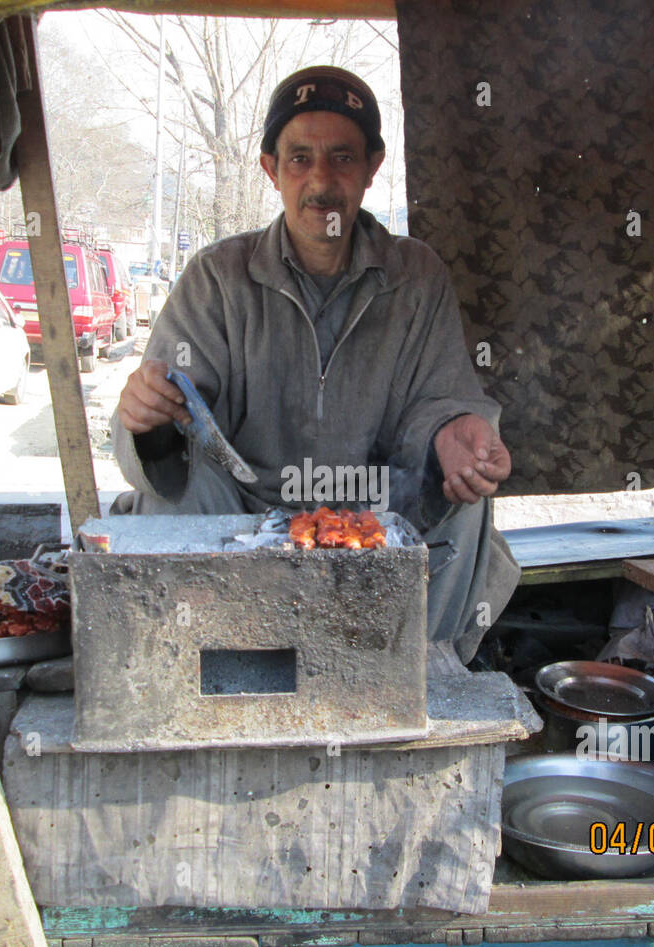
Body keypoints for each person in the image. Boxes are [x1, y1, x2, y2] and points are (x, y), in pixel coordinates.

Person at [111, 65, 519, 662]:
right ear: (271, 169)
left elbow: (441, 399)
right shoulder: (218, 276)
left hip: (375, 514)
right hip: (246, 518)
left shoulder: (416, 275)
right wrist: (144, 419)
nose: (321, 180)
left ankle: (417, 679)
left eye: (342, 158)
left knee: (468, 500)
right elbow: (173, 418)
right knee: (170, 493)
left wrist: (453, 433)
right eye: (300, 158)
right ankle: (218, 665)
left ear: (372, 167)